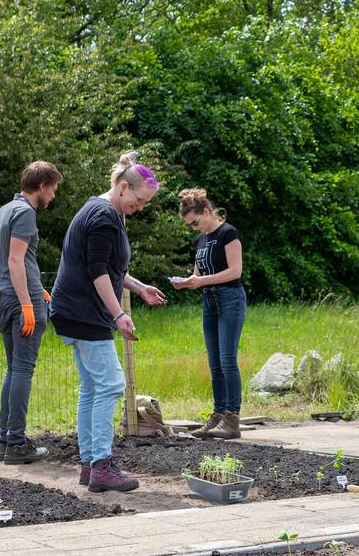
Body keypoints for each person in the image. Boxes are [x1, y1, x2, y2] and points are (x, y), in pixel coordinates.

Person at [50, 152, 167, 492]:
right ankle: (101, 464)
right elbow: (97, 272)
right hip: (85, 313)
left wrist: (139, 287)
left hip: (72, 311)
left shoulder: (105, 209)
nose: (140, 207)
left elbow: (113, 268)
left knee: (92, 387)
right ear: (120, 187)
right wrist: (119, 314)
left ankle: (90, 465)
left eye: (145, 203)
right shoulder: (103, 217)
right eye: (138, 200)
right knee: (113, 385)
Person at [0, 161, 62, 465]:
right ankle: (17, 443)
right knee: (23, 370)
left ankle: (5, 440)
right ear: (42, 185)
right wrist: (28, 303)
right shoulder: (26, 213)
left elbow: (21, 262)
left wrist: (39, 288)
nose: (54, 196)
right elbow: (15, 260)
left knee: (12, 369)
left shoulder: (4, 210)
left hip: (2, 296)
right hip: (20, 300)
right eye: (54, 189)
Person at [171, 188, 247, 439]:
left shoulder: (228, 233)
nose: (194, 228)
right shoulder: (200, 239)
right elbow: (198, 274)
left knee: (227, 360)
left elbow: (235, 271)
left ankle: (232, 418)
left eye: (195, 222)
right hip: (209, 301)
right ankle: (218, 414)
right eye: (190, 225)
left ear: (206, 211)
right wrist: (186, 282)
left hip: (230, 299)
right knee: (214, 364)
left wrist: (201, 282)